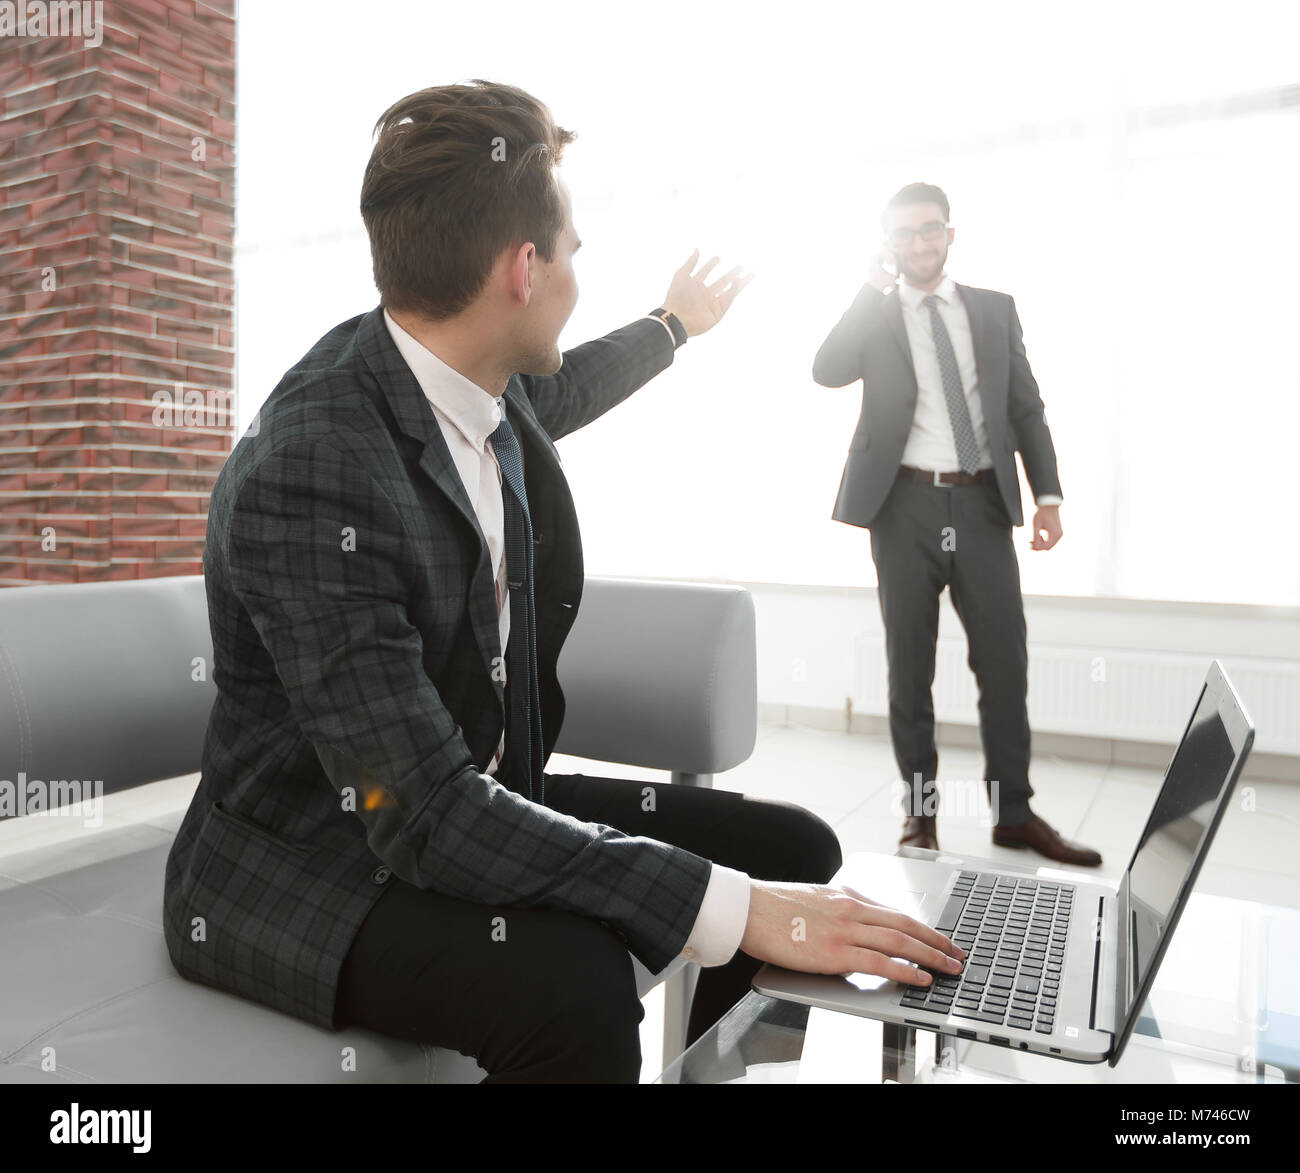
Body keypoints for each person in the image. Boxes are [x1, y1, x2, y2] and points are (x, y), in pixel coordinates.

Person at [162, 83, 965, 1083]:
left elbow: (572, 384)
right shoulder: (314, 465)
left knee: (790, 849)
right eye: (574, 253)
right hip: (314, 861)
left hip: (463, 792)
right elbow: (417, 810)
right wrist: (734, 908)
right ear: (523, 268)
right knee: (577, 983)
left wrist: (673, 324)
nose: (579, 275)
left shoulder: (471, 378)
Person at [812, 182, 1102, 868]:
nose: (918, 243)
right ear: (889, 244)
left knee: (1004, 663)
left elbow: (1026, 407)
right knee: (909, 669)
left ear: (949, 233)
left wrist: (1049, 495)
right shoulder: (878, 313)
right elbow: (826, 370)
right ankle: (920, 816)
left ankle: (1014, 814)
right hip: (903, 506)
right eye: (903, 233)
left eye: (928, 229)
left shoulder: (995, 309)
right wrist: (869, 288)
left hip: (982, 506)